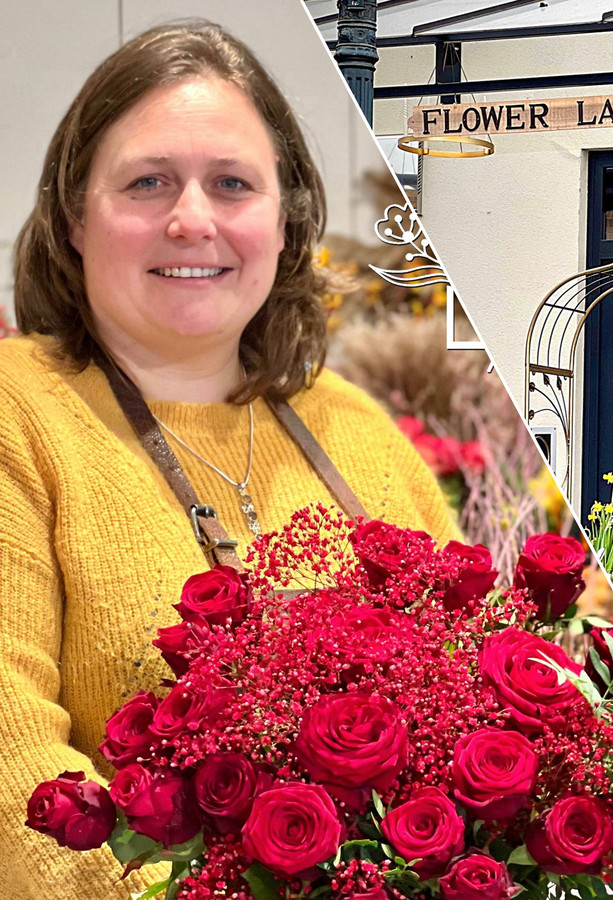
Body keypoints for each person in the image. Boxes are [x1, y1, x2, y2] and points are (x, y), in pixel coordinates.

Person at [0, 22, 457, 898]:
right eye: (147, 183)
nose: (191, 219)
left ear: (284, 223)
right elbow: (14, 759)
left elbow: (494, 669)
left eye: (232, 184)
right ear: (72, 218)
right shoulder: (22, 412)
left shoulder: (355, 427)